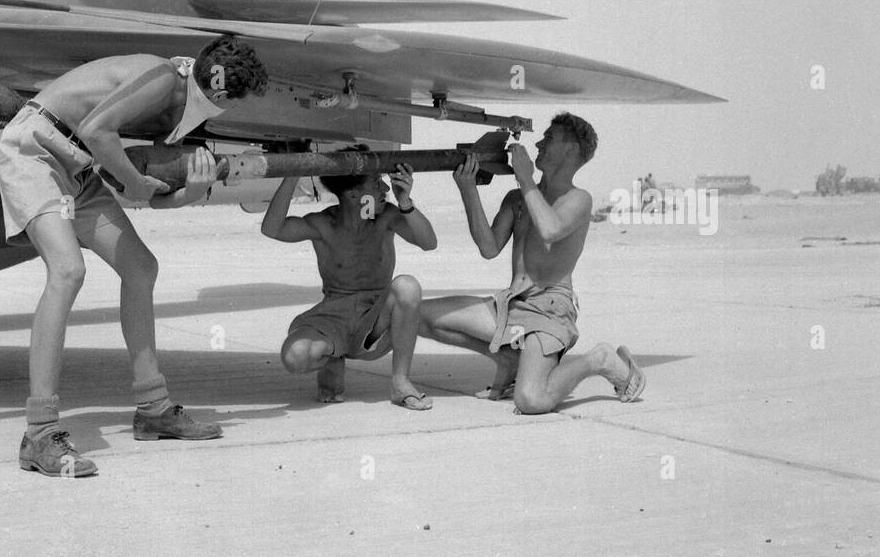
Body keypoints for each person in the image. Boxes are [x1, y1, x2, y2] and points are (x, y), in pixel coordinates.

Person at [0, 34, 268, 475]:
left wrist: (193, 192)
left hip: (77, 168)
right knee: (67, 271)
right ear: (219, 92)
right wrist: (139, 186)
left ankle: (153, 408)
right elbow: (95, 131)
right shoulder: (162, 77)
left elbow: (149, 194)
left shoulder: (178, 106)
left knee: (141, 268)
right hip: (36, 149)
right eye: (231, 101)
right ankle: (39, 434)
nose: (226, 110)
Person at [418, 113, 645, 413]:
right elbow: (488, 247)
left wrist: (525, 178)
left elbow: (550, 229)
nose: (538, 143)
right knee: (417, 314)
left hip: (549, 311)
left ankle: (599, 359)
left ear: (572, 149)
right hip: (511, 307)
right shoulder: (517, 199)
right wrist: (468, 189)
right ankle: (508, 358)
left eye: (549, 138)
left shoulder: (579, 199)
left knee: (530, 400)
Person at [261, 162, 436, 409]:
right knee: (295, 356)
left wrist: (406, 202)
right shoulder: (324, 224)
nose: (385, 187)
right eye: (376, 183)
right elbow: (272, 229)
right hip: (333, 317)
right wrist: (292, 176)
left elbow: (429, 242)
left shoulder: (384, 217)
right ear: (354, 195)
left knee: (407, 287)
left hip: (376, 319)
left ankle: (401, 382)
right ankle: (333, 357)